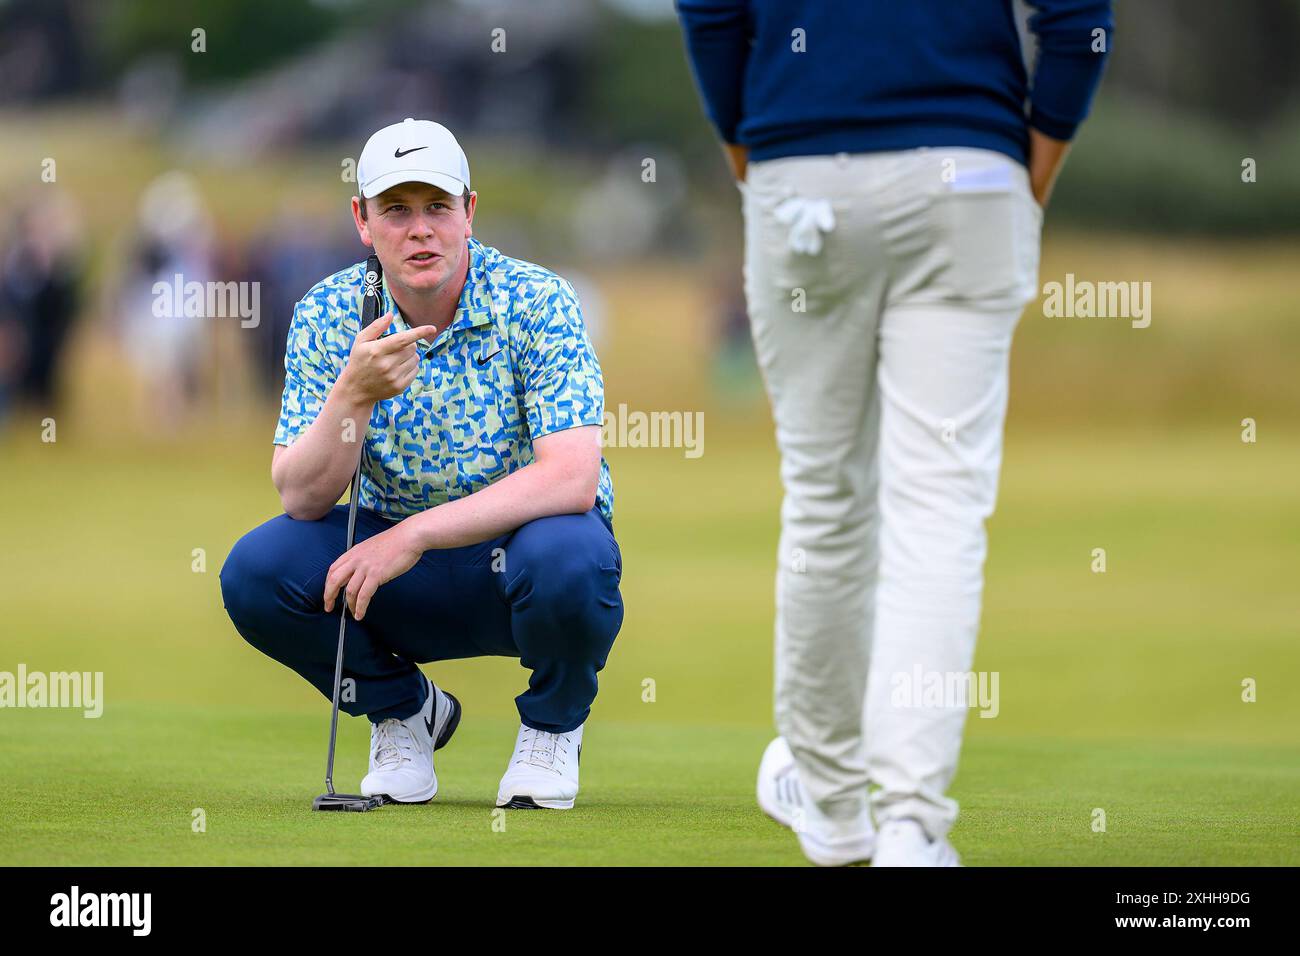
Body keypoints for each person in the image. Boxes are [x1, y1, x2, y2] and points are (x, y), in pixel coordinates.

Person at [677, 0, 1112, 864]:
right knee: (939, 506)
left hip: (800, 169)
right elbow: (1078, 21)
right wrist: (1030, 174)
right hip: (972, 168)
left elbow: (710, 14)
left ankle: (835, 812)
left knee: (826, 502)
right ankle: (911, 822)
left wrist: (752, 152)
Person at [219, 119, 623, 810]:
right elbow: (302, 496)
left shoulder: (537, 299)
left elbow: (571, 475)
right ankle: (404, 711)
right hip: (393, 583)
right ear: (363, 221)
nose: (420, 230)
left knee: (573, 555)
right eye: (396, 211)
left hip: (517, 562)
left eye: (437, 207)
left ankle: (553, 728)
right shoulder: (326, 313)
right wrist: (354, 394)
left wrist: (415, 534)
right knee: (256, 572)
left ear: (469, 211)